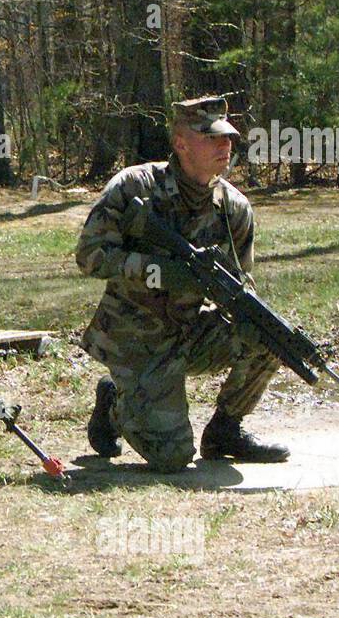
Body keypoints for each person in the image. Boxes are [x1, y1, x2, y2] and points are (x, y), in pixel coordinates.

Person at [76, 95, 289, 474]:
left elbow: (243, 281)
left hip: (189, 330)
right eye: (211, 138)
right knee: (173, 458)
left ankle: (226, 430)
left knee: (272, 334)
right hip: (134, 339)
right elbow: (90, 255)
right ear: (180, 143)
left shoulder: (234, 209)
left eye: (227, 137)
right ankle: (113, 403)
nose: (224, 145)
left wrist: (240, 306)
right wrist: (156, 270)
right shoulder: (135, 187)